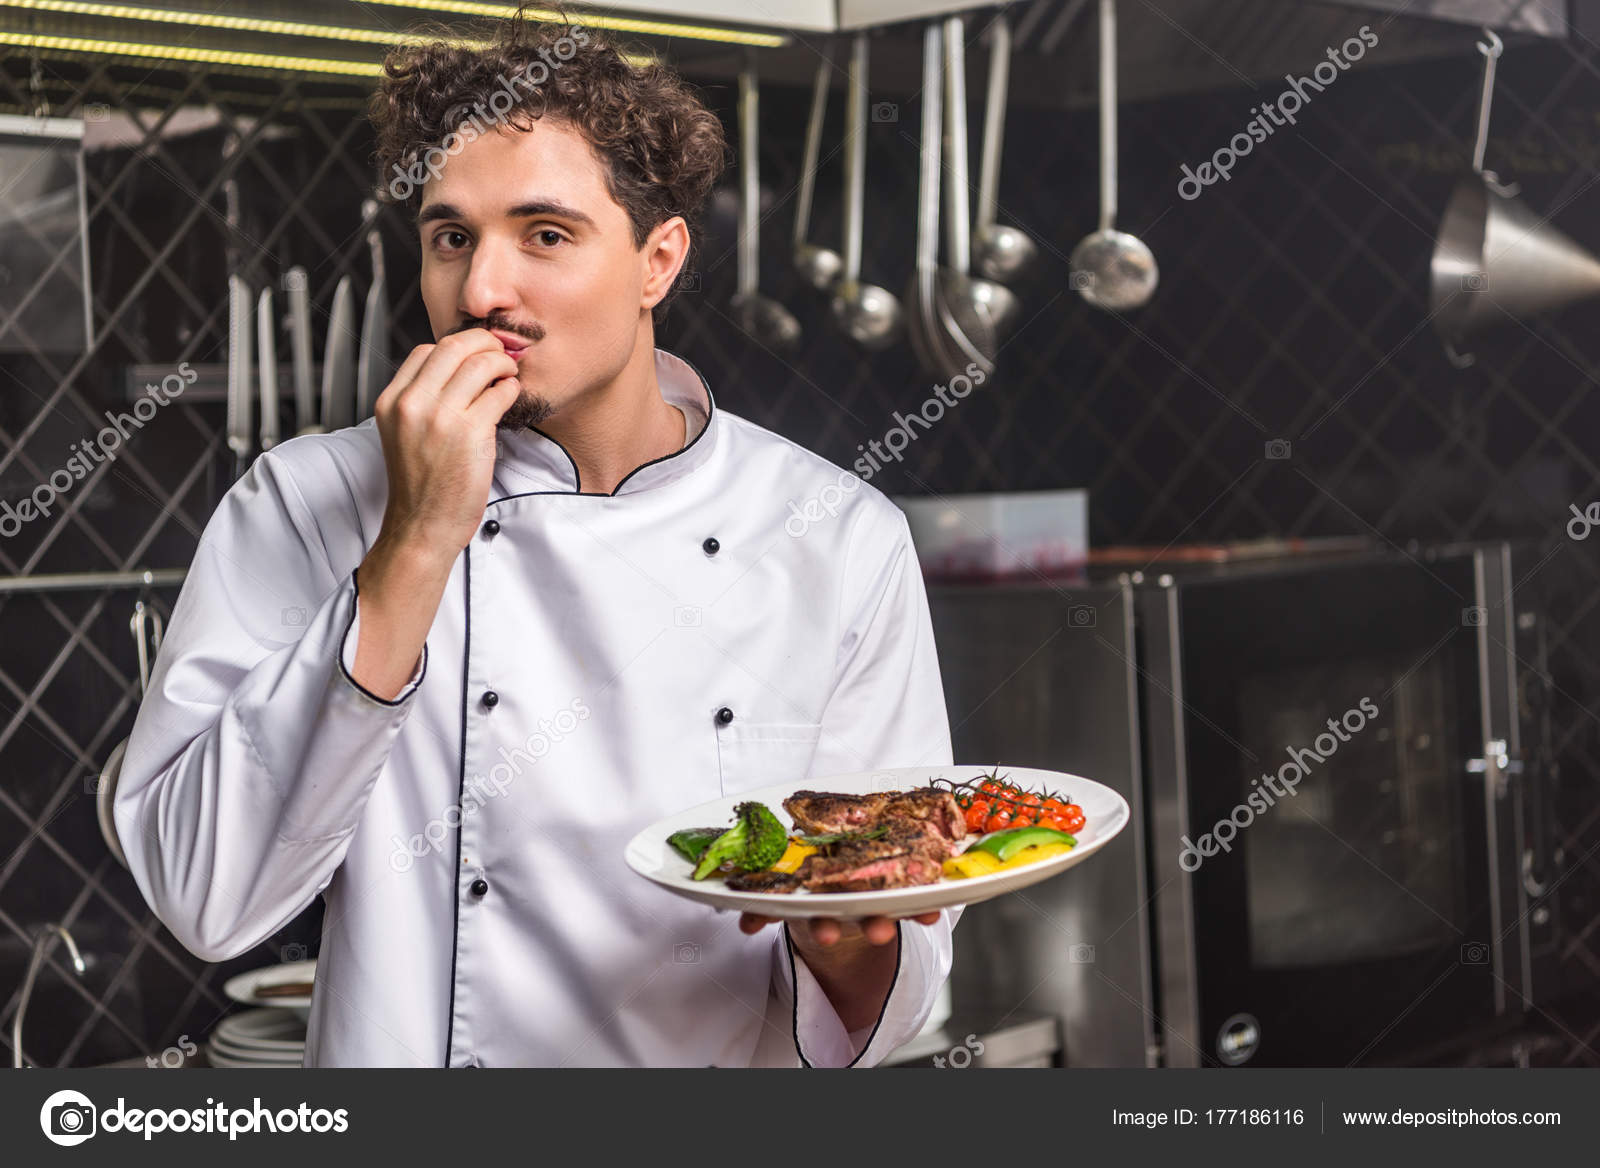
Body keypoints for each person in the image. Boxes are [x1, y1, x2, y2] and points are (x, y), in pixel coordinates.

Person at [116, 9, 957, 1067]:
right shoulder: (302, 502)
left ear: (657, 260)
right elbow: (204, 898)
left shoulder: (834, 539)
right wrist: (413, 547)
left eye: (545, 235)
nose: (479, 293)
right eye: (450, 237)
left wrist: (850, 949)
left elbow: (904, 969)